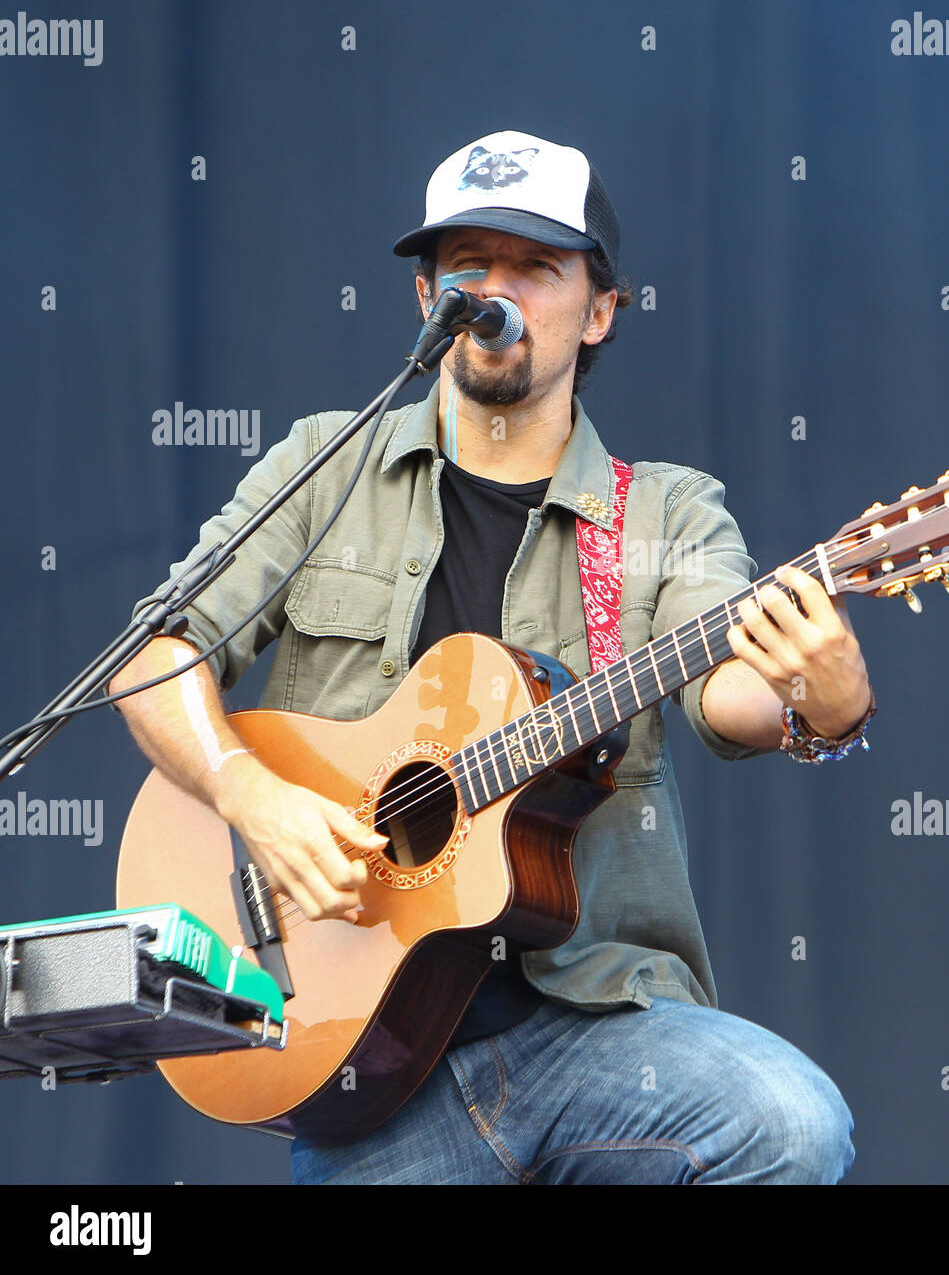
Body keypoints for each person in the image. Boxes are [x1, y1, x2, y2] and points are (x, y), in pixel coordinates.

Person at [109, 129, 874, 1184]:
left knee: (786, 1123)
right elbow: (154, 655)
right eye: (466, 265)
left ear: (600, 308)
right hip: (362, 1060)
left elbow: (726, 690)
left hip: (596, 1034)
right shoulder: (325, 466)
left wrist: (816, 700)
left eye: (533, 266)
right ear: (425, 298)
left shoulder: (664, 511)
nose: (492, 290)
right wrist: (255, 798)